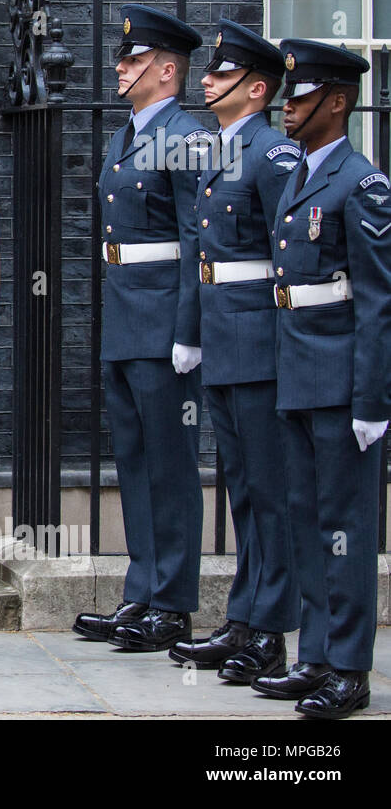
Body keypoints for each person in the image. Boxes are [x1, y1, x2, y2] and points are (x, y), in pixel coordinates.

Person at [251, 40, 390, 719]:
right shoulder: (303, 177)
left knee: (346, 526)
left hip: (339, 381)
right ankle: (314, 656)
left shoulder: (360, 183)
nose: (288, 107)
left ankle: (349, 668)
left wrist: (372, 398)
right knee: (306, 519)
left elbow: (376, 298)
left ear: (337, 101)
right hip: (298, 369)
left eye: (301, 97)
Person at [168, 20, 301, 680]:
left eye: (221, 75)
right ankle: (245, 619)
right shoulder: (221, 152)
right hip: (224, 332)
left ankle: (269, 629)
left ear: (255, 90)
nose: (208, 81)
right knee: (243, 488)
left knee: (270, 491)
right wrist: (193, 333)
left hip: (259, 337)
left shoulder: (272, 154)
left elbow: (293, 257)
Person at [71, 4, 205, 650]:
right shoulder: (129, 133)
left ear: (167, 69)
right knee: (135, 460)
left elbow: (196, 240)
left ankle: (173, 604)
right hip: (126, 314)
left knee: (170, 466)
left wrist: (188, 330)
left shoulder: (184, 135)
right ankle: (143, 591)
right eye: (123, 59)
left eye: (132, 59)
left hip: (162, 325)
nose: (119, 68)